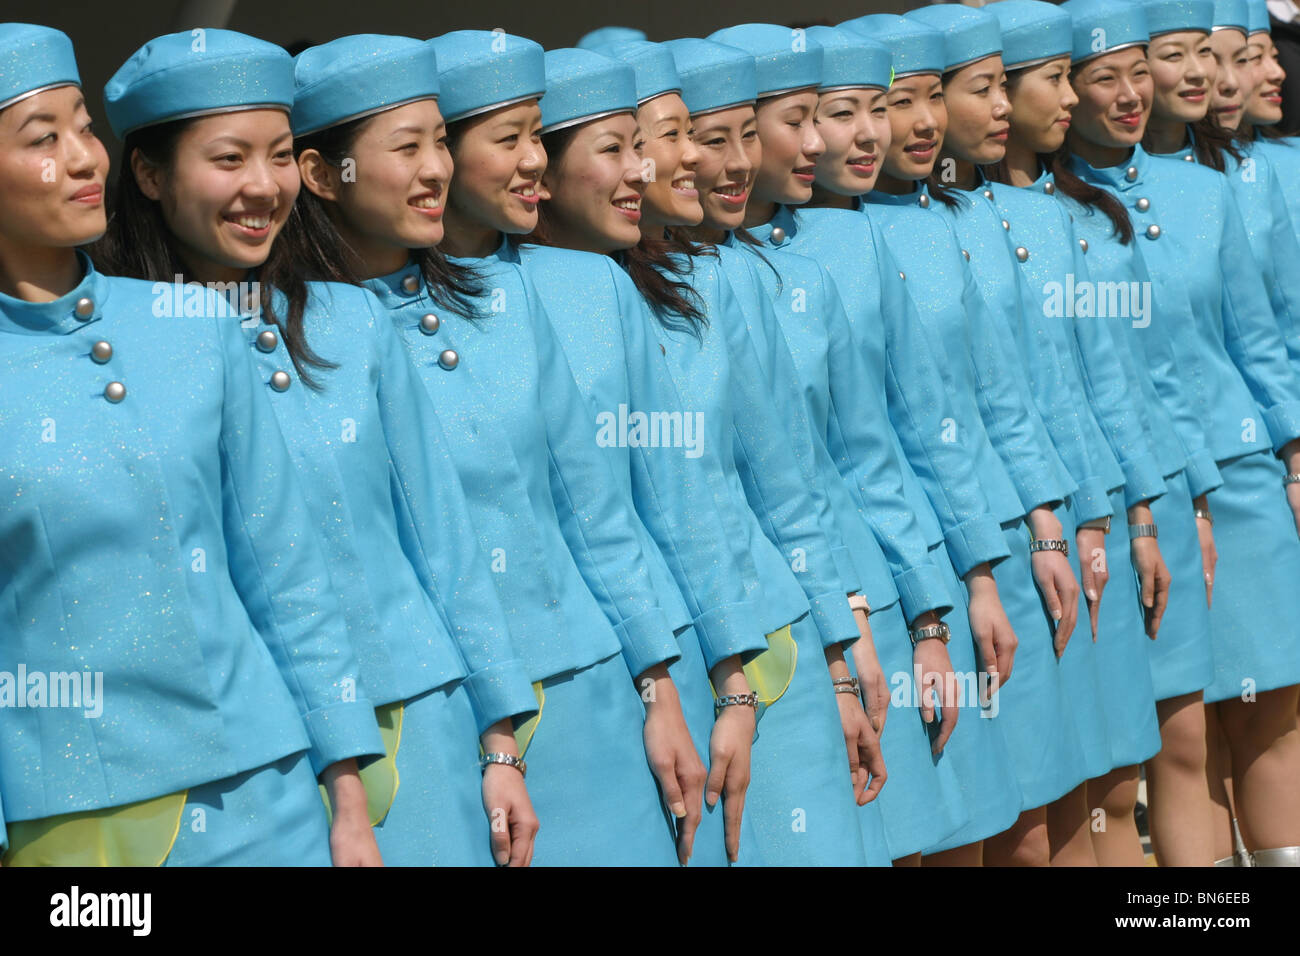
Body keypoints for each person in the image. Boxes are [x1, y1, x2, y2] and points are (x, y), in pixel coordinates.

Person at [0, 24, 383, 867]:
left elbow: (285, 573)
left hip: (272, 790)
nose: (85, 157)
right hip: (76, 823)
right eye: (43, 138)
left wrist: (345, 789)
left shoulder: (197, 326)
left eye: (82, 125)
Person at [911, 1, 1168, 867]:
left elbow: (1088, 388)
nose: (1063, 98)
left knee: (1098, 788)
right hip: (991, 541)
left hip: (1065, 522)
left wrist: (1117, 515)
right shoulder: (930, 228)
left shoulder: (1052, 216)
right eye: (986, 88)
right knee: (1018, 818)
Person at [514, 44, 771, 866]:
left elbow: (685, 498)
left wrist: (731, 676)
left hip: (694, 649)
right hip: (543, 695)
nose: (670, 161)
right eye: (621, 145)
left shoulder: (639, 292)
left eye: (648, 141)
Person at [1063, 0, 1300, 867]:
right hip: (1143, 492)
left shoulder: (1206, 193)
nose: (1136, 92)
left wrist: (1293, 459)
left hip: (1242, 480)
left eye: (1148, 68)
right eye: (1119, 72)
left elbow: (1260, 339)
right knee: (1176, 740)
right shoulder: (1054, 213)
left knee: (1275, 710)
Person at [987, 0, 1221, 868]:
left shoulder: (1086, 217)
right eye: (1059, 79)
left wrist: (1158, 508)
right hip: (1022, 537)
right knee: (1049, 807)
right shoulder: (969, 230)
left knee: (1128, 779)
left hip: (1120, 512)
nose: (1134, 94)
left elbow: (1123, 386)